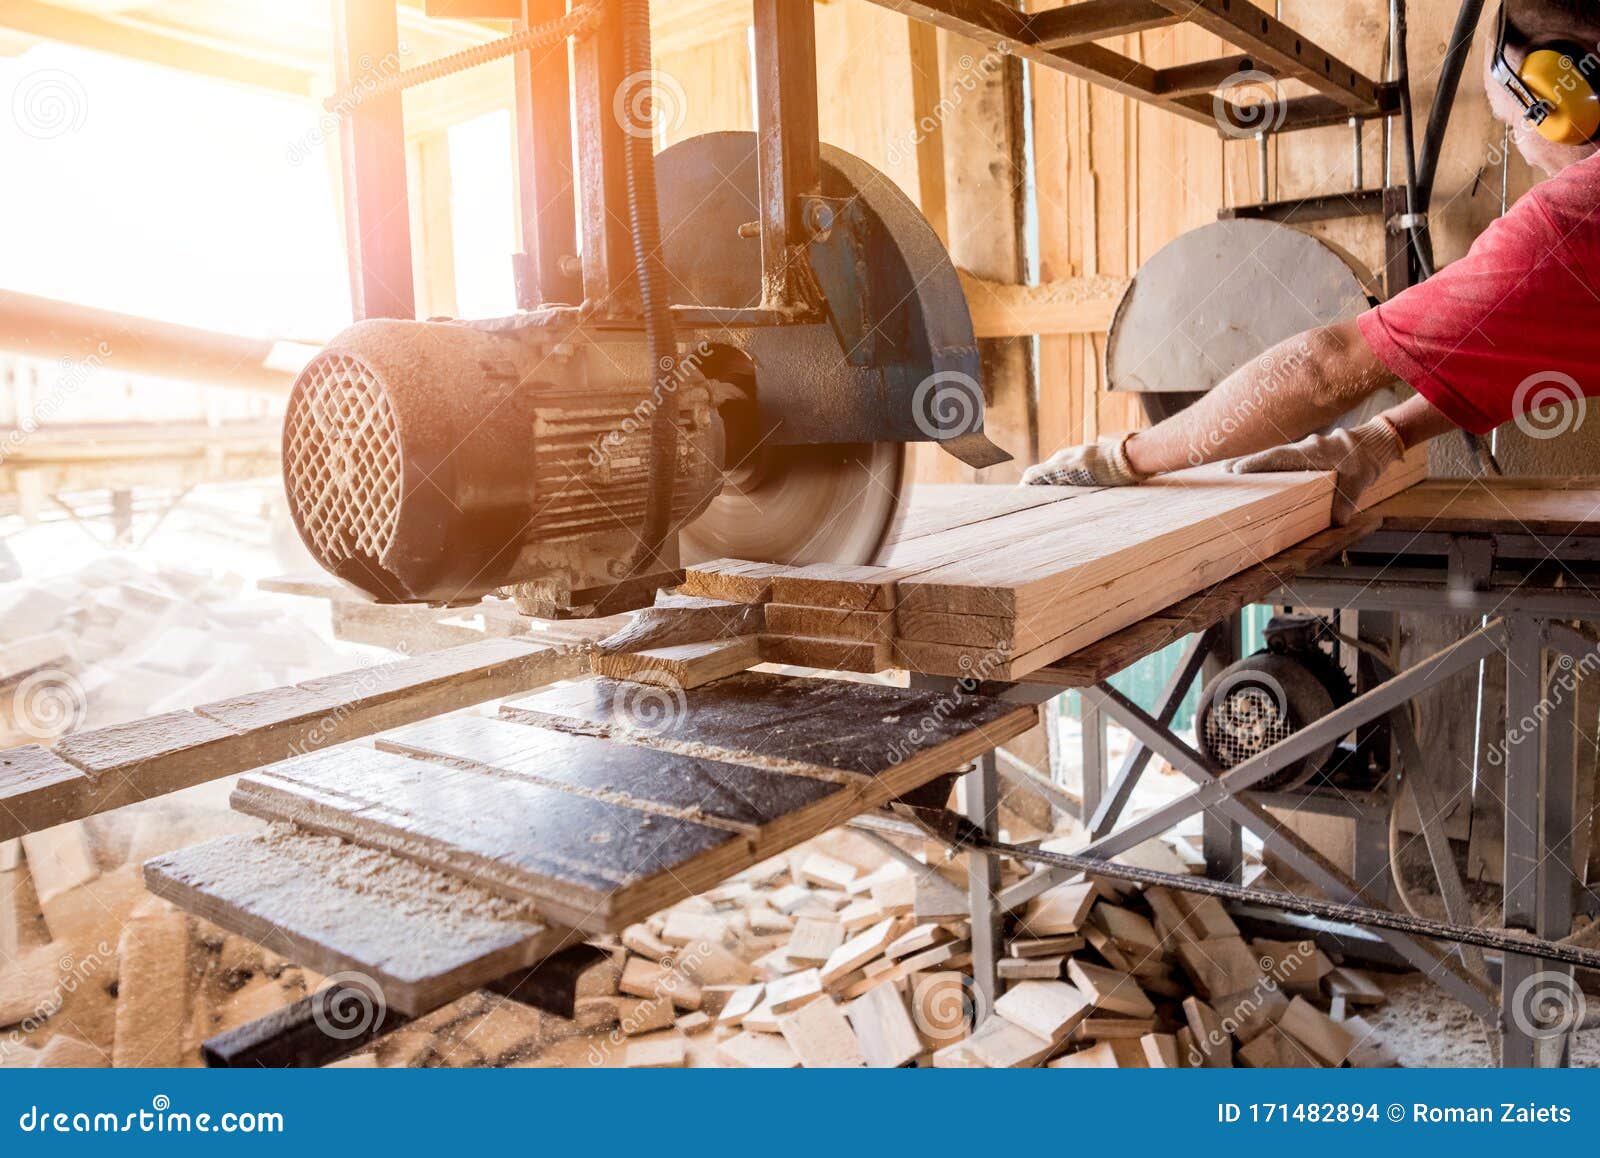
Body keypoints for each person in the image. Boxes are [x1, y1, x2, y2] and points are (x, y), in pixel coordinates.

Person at [1023, 1, 1600, 522]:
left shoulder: (1570, 220)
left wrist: (1125, 459)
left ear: (1569, 92)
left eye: (1514, 122)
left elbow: (1325, 369)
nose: (1520, 147)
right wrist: (1385, 434)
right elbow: (1515, 345)